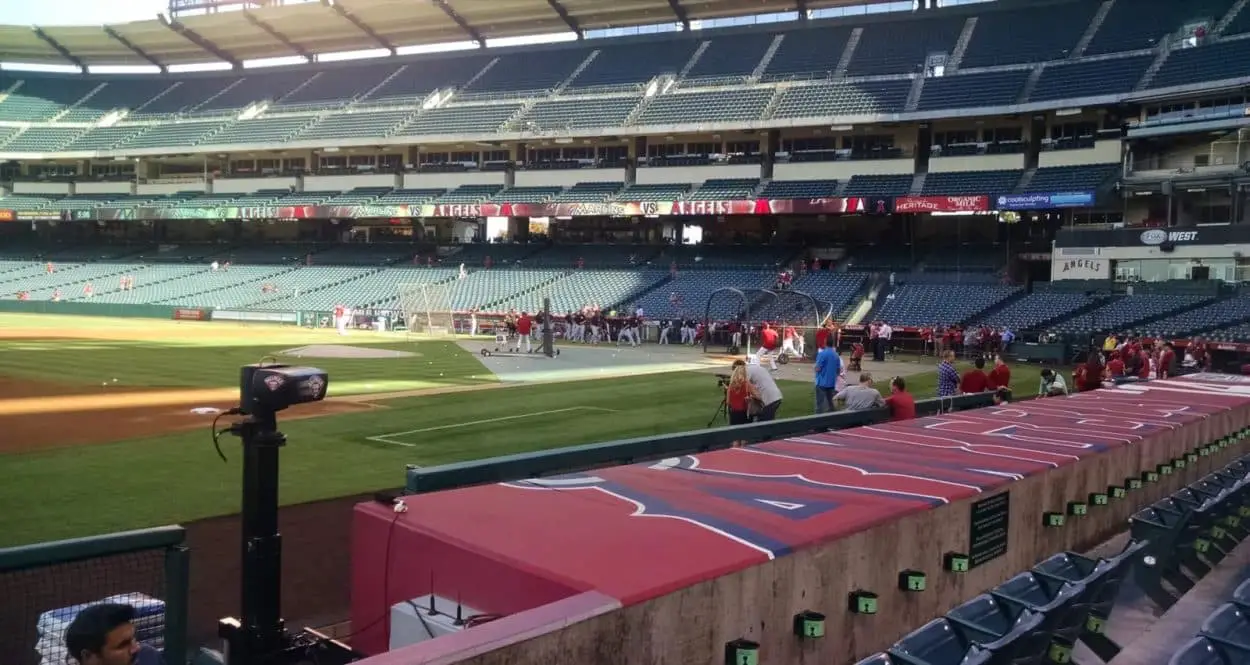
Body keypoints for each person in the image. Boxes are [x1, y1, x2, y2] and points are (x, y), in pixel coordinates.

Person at [65, 602, 164, 665]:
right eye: (123, 645)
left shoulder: (147, 657)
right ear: (88, 656)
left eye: (134, 638)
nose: (136, 648)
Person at [814, 334, 842, 414]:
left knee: (820, 405)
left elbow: (818, 368)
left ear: (825, 342)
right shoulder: (836, 355)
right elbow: (838, 370)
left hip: (821, 383)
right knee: (831, 404)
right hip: (831, 383)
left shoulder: (822, 354)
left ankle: (818, 419)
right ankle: (831, 418)